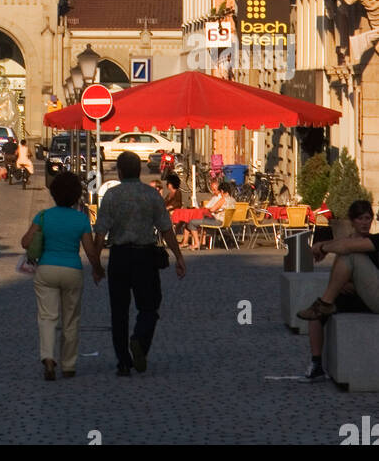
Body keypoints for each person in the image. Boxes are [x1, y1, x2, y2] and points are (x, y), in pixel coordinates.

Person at [90, 150, 186, 376]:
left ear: (120, 172)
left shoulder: (112, 196)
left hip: (120, 257)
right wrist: (178, 256)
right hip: (145, 256)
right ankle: (140, 340)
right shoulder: (151, 195)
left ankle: (123, 362)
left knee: (119, 311)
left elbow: (100, 233)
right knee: (150, 306)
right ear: (139, 170)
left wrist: (96, 266)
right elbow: (166, 228)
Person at [20, 170, 94, 380]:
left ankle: (48, 358)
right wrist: (98, 269)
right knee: (71, 319)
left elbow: (25, 242)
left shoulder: (43, 216)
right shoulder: (81, 219)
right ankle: (68, 365)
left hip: (46, 270)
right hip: (72, 269)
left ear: (53, 193)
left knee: (47, 317)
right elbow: (89, 250)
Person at [297, 199, 379, 380]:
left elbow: (346, 248)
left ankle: (324, 303)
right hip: (356, 294)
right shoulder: (349, 242)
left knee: (350, 254)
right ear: (352, 221)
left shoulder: (372, 241)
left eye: (368, 218)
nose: (365, 222)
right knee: (316, 311)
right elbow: (339, 271)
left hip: (371, 297)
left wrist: (321, 246)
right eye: (360, 219)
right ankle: (316, 362)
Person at [185, 181, 235, 250]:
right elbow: (224, 210)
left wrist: (207, 209)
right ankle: (202, 242)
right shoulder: (232, 200)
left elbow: (212, 210)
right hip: (226, 222)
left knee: (192, 222)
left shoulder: (223, 199)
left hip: (218, 221)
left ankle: (197, 243)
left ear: (222, 191)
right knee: (202, 220)